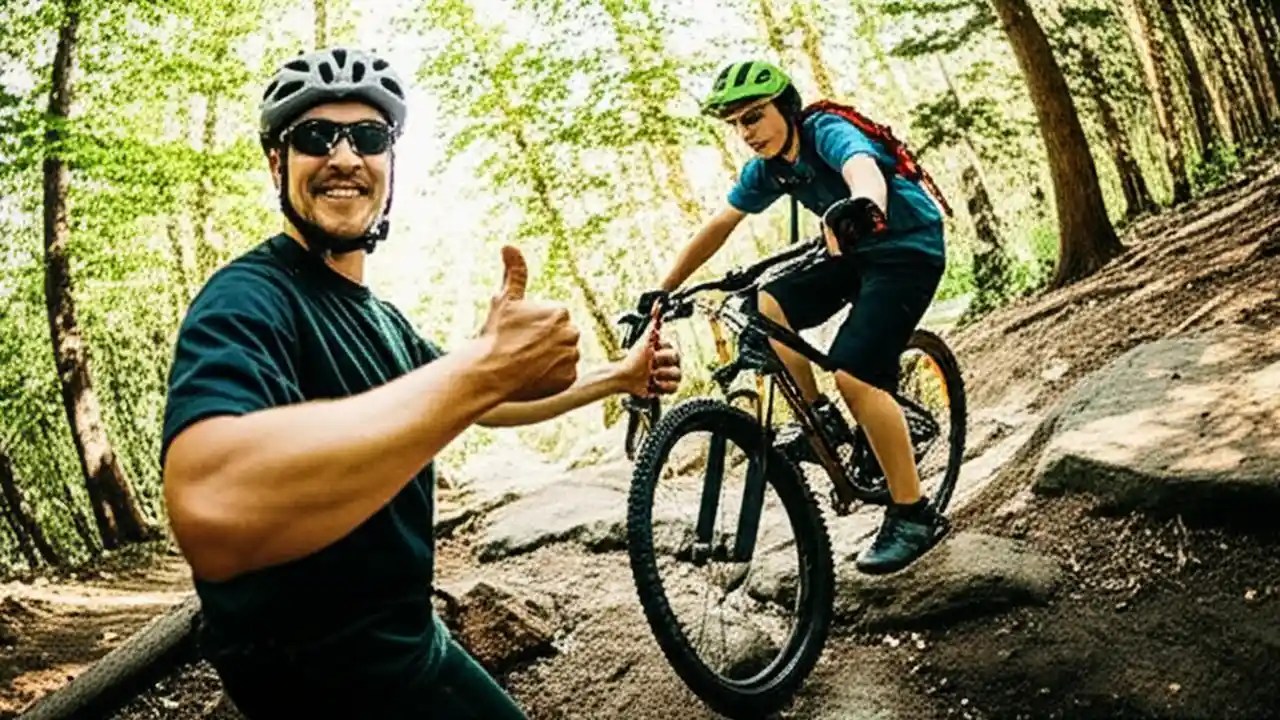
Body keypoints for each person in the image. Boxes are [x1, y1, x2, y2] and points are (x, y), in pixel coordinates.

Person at [161, 47, 681, 720]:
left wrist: (617, 376)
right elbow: (211, 504)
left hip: (408, 646)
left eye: (369, 138)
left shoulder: (382, 320)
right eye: (316, 136)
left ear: (389, 165)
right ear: (276, 162)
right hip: (322, 682)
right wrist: (484, 366)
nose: (345, 156)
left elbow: (477, 405)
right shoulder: (246, 299)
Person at [638, 59, 948, 575]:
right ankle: (821, 418)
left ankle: (915, 514)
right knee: (762, 304)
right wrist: (663, 290)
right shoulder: (769, 169)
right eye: (736, 123)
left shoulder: (824, 129)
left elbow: (861, 168)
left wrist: (863, 204)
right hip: (850, 254)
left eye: (754, 116)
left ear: (785, 108)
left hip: (906, 250)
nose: (746, 132)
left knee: (855, 372)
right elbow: (721, 224)